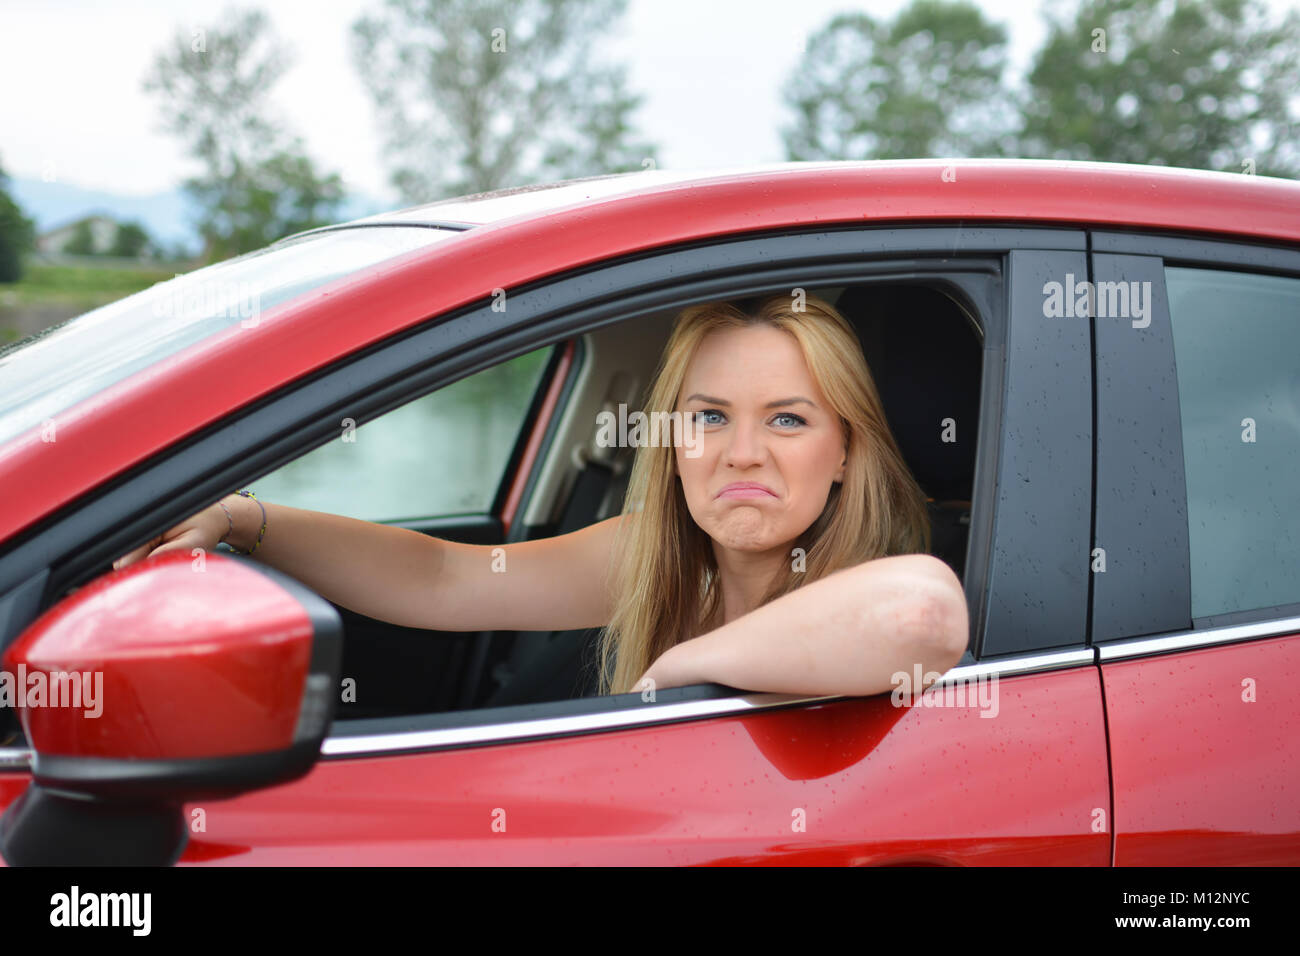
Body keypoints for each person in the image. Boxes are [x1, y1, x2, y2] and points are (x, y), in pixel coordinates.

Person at [113, 292, 968, 699]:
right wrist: (243, 519)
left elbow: (922, 619)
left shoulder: (869, 579)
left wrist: (677, 673)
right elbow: (445, 579)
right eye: (708, 417)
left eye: (787, 421)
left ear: (847, 451)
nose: (741, 454)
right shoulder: (655, 556)